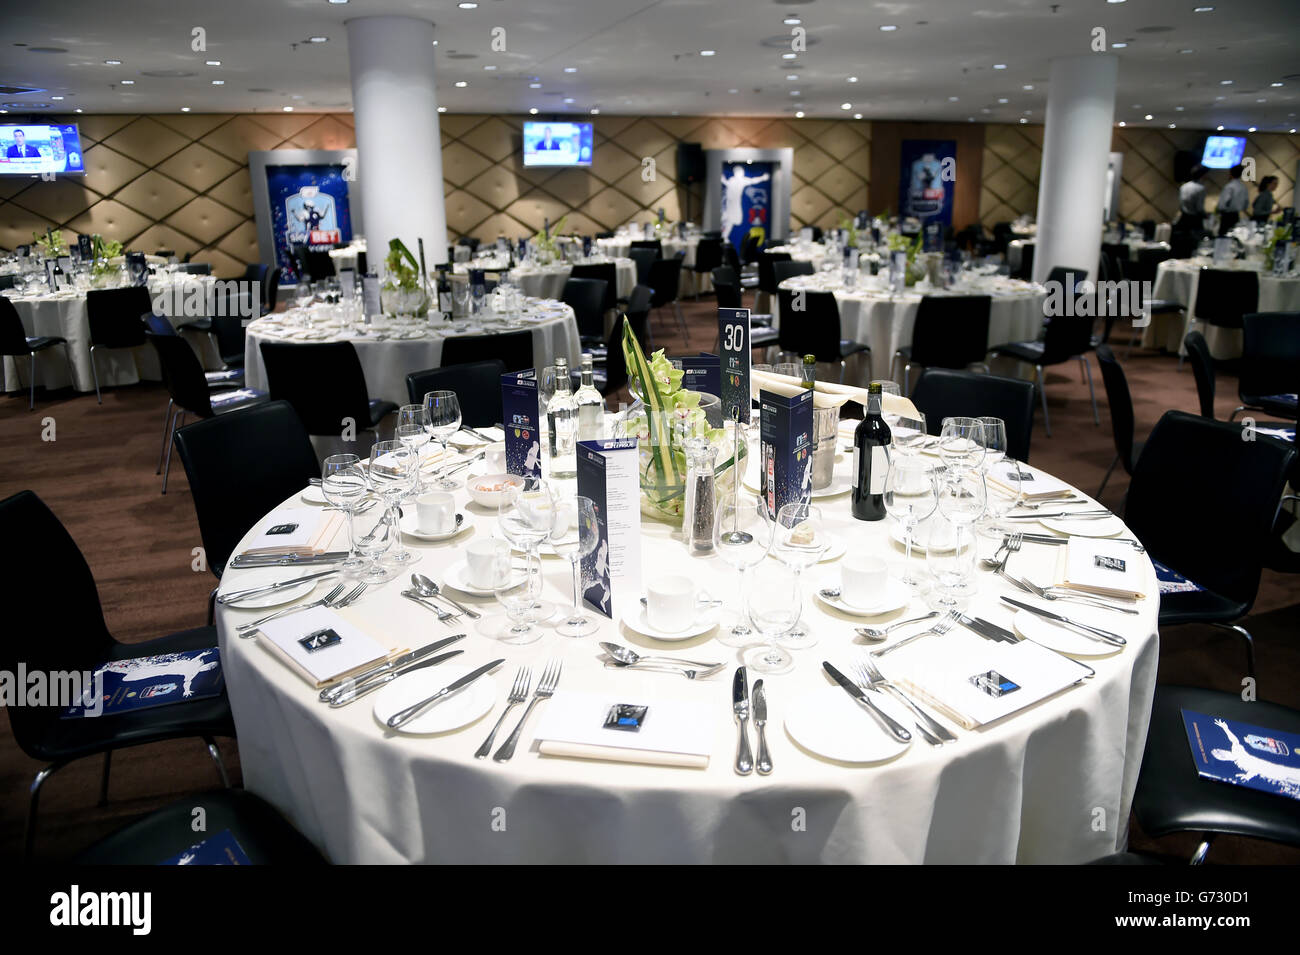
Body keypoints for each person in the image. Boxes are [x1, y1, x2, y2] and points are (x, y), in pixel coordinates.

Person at [1216, 164, 1249, 235]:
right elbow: (1246, 203)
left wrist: (1219, 210)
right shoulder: (1243, 187)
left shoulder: (1229, 187)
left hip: (1226, 216)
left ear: (1230, 173)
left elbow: (1223, 204)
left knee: (1223, 236)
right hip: (1236, 215)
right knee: (1234, 235)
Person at [1176, 165, 1207, 232]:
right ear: (1202, 176)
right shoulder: (1200, 188)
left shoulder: (1184, 186)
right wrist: (1206, 215)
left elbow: (1181, 204)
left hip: (1184, 218)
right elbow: (1199, 208)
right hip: (1195, 220)